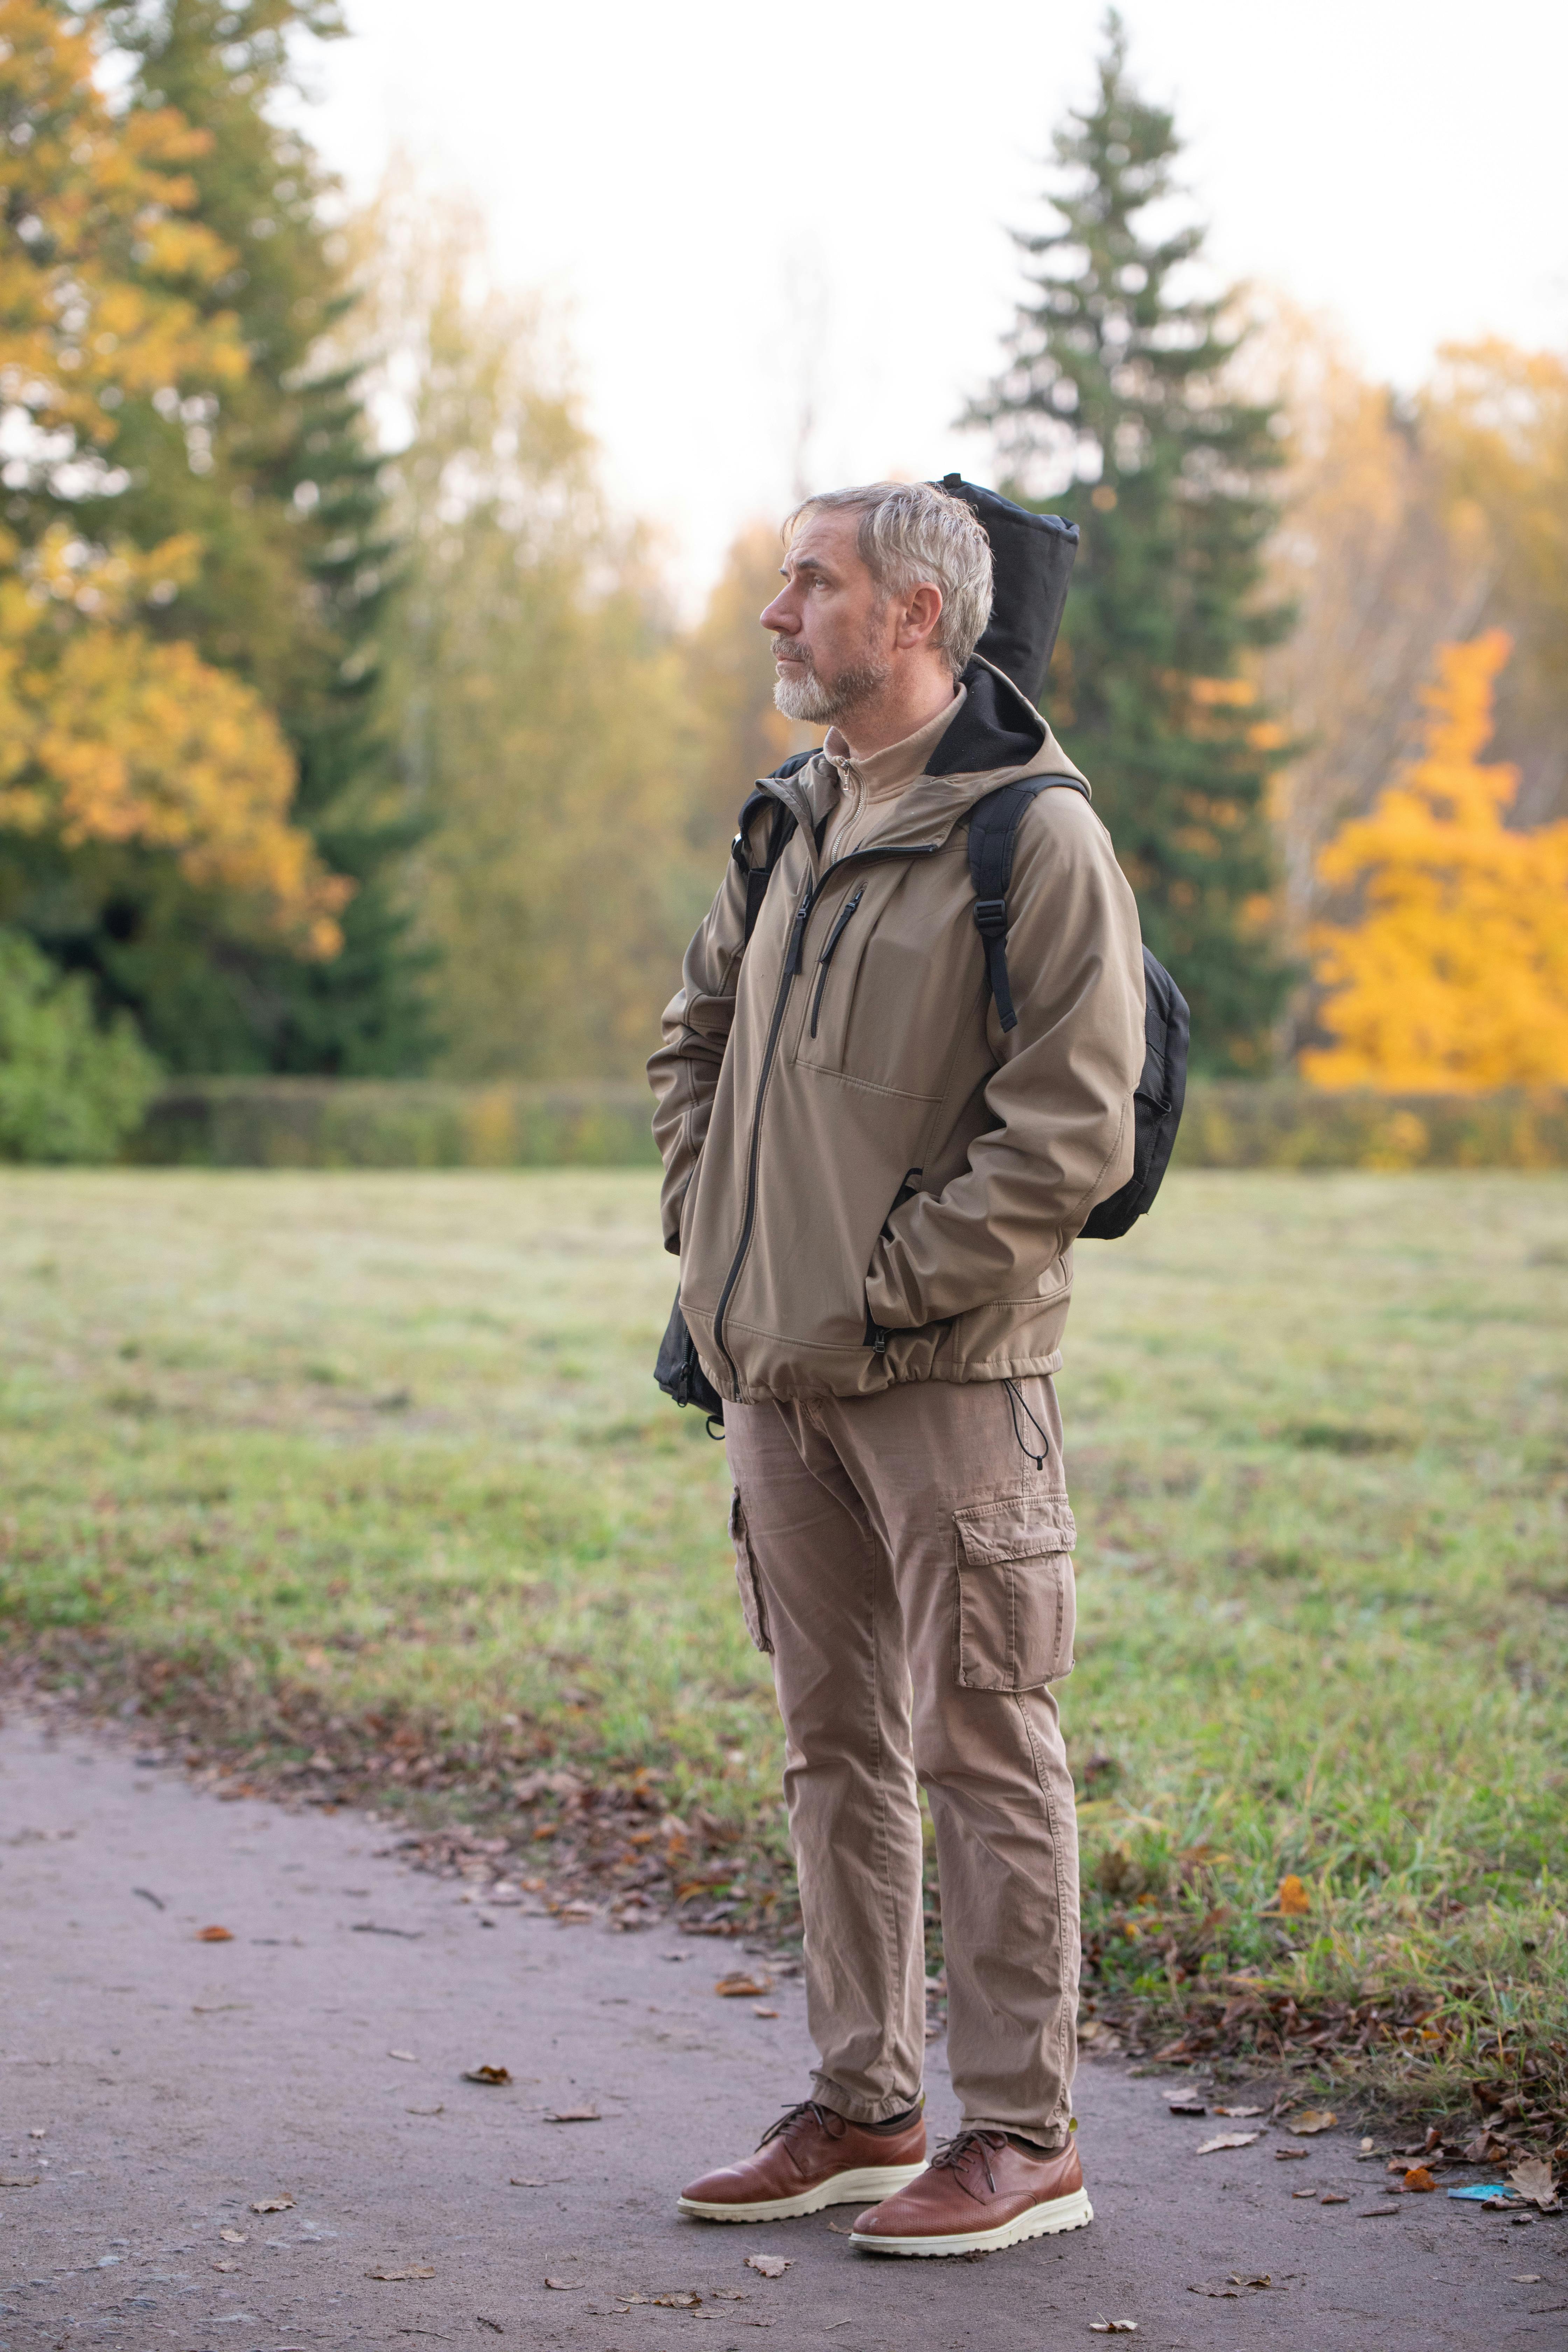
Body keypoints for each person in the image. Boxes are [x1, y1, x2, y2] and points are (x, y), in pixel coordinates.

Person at [646, 479, 1146, 2259]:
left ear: (914, 615)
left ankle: (1023, 2138)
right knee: (830, 1746)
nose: (778, 613)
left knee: (984, 1742)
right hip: (775, 1377)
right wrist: (719, 1266)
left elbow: (1065, 1133)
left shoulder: (1034, 836)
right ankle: (865, 2103)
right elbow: (692, 1037)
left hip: (945, 1380)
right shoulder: (786, 817)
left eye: (811, 584)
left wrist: (879, 1292)